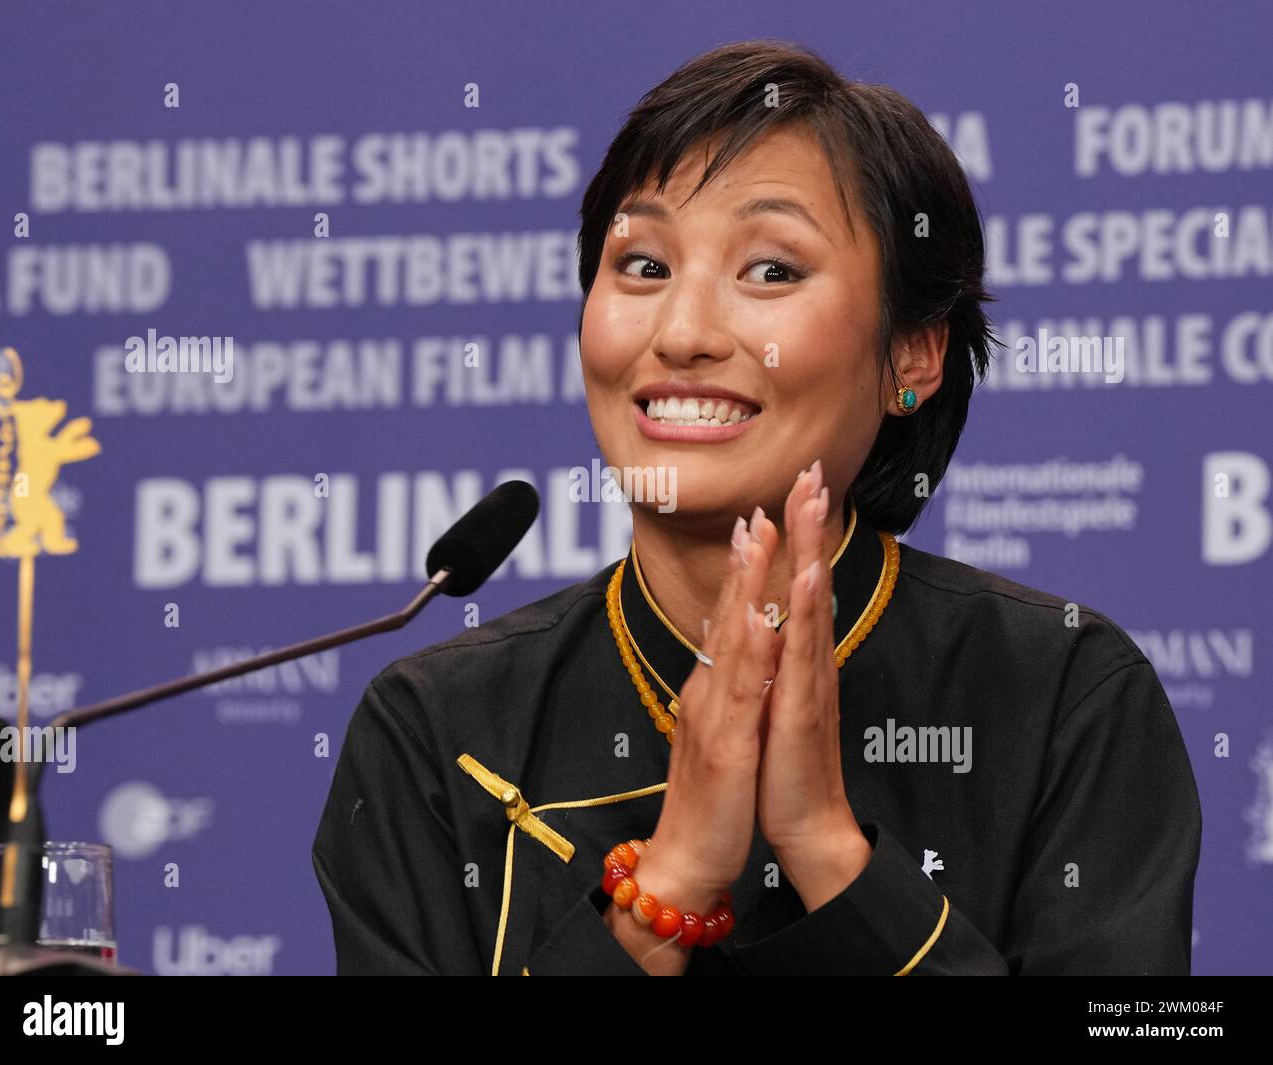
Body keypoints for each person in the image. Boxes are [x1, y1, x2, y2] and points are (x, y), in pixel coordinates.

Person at [312, 40, 1201, 975]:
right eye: (644, 266)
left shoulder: (1064, 695)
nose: (684, 334)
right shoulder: (433, 733)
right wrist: (674, 881)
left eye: (772, 271)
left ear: (913, 355)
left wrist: (828, 849)